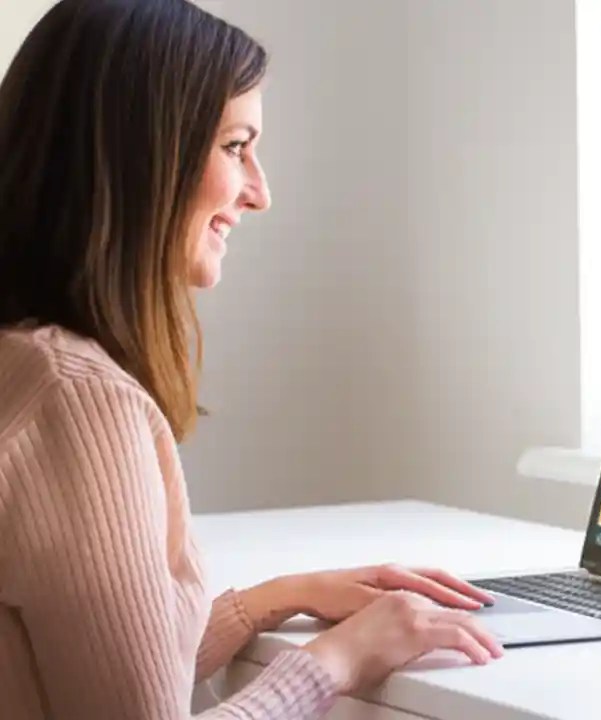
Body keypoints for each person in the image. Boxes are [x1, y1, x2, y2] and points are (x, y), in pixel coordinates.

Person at [0, 1, 503, 718]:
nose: (259, 193)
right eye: (236, 146)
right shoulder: (76, 402)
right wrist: (334, 661)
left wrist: (270, 601)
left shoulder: (20, 364)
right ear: (142, 153)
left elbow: (85, 668)